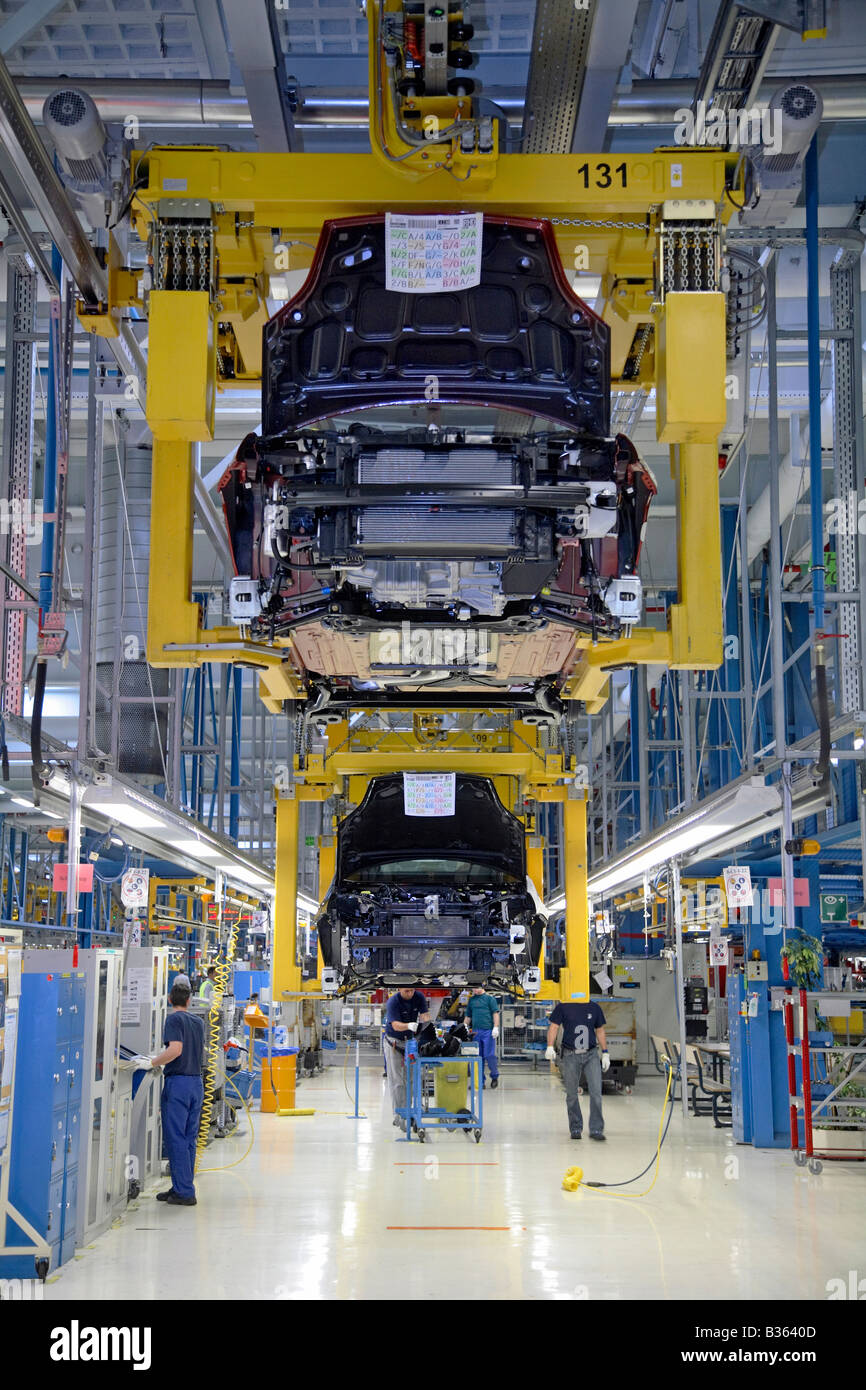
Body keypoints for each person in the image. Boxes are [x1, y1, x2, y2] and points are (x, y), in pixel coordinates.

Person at [150, 982, 206, 1205]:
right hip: (196, 1083)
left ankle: (184, 1192)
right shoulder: (198, 1022)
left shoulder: (173, 1019)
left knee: (176, 1138)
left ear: (171, 1000)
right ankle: (180, 1185)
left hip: (179, 1084)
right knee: (188, 1138)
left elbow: (175, 1049)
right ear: (189, 1001)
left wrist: (153, 1062)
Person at [545, 1000, 610, 1141]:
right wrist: (550, 1046)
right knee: (571, 1093)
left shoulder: (594, 1007)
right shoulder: (563, 1006)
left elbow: (600, 1030)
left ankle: (596, 1129)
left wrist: (605, 1053)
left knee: (596, 1092)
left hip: (591, 1054)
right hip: (570, 1054)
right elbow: (554, 1027)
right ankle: (575, 1127)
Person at [383, 984, 431, 1128]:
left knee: (410, 1079)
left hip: (410, 1043)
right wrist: (409, 1025)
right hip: (394, 1044)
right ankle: (398, 1115)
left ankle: (408, 1112)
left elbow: (425, 1015)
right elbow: (396, 1025)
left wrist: (427, 1023)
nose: (409, 993)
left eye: (411, 990)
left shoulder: (419, 996)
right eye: (406, 991)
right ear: (399, 989)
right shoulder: (393, 1002)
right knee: (397, 1081)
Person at [465, 983, 500, 1088]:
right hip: (476, 1032)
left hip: (488, 1032)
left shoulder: (490, 999)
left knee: (489, 1055)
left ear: (482, 986)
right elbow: (468, 1016)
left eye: (476, 987)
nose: (474, 990)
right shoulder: (472, 1000)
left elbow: (495, 1013)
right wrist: (464, 1027)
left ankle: (494, 1076)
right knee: (477, 1058)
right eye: (473, 988)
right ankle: (479, 1082)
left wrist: (496, 1027)